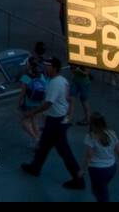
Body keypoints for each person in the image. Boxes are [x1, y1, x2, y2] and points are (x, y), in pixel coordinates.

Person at [21, 57, 87, 190]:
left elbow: (48, 103)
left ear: (55, 68)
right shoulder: (61, 81)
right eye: (45, 65)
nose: (45, 68)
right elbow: (67, 99)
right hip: (56, 119)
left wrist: (31, 113)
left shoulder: (55, 83)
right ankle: (35, 167)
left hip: (55, 122)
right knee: (44, 146)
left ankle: (78, 179)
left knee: (64, 150)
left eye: (48, 65)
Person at [83, 114, 119, 202]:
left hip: (97, 170)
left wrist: (83, 169)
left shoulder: (90, 137)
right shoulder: (112, 133)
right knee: (101, 189)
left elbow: (89, 155)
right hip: (111, 168)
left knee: (101, 194)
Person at [18, 59, 47, 143]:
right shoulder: (40, 75)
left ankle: (35, 138)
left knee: (24, 122)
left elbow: (23, 92)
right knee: (35, 121)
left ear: (29, 66)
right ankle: (38, 139)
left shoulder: (26, 77)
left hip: (29, 103)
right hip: (38, 102)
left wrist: (19, 102)